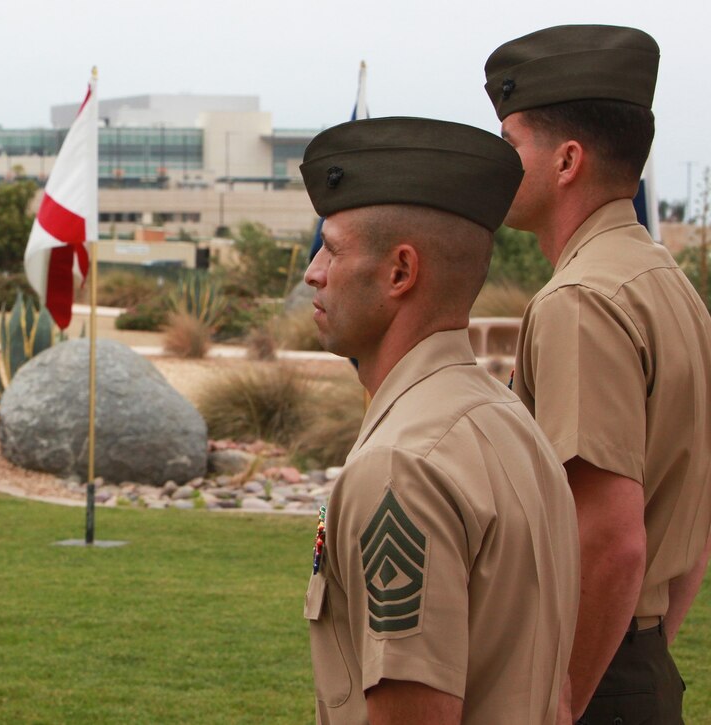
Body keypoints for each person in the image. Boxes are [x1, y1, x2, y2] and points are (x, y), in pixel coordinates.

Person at [300, 117, 580, 724]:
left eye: (333, 248)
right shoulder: (511, 422)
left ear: (401, 272)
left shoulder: (400, 464)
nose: (313, 271)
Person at [485, 25, 711, 723]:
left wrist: (562, 701)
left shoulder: (581, 301)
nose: (497, 163)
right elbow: (694, 522)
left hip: (595, 679)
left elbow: (610, 537)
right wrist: (642, 651)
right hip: (634, 665)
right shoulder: (666, 284)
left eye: (511, 141)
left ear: (566, 160)